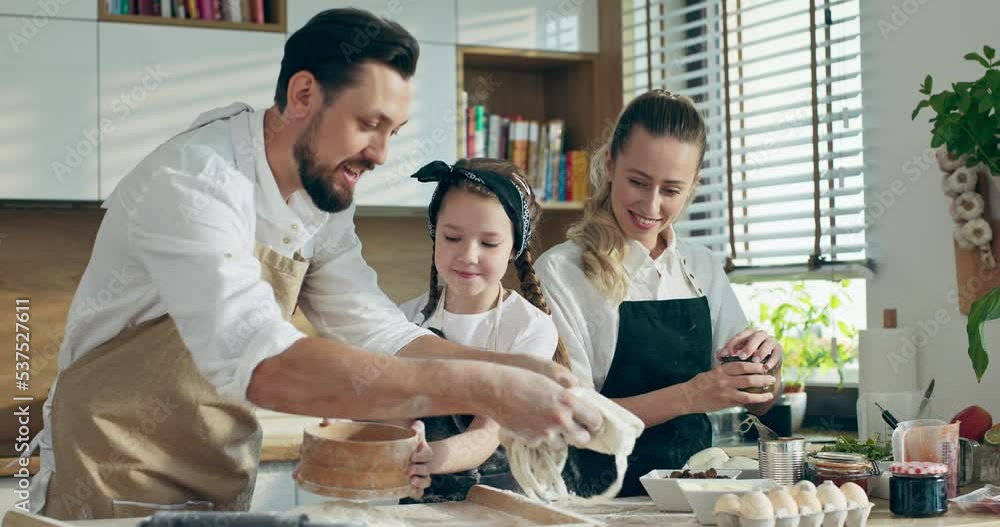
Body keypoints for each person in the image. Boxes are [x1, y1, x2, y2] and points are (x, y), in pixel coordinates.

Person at [32, 9, 600, 520]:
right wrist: (487, 387)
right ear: (304, 95)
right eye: (369, 124)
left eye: (392, 132)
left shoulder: (319, 201)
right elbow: (267, 365)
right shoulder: (195, 184)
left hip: (219, 471)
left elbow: (378, 332)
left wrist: (516, 369)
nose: (381, 154)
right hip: (111, 477)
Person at [535, 90, 783, 497]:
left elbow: (759, 403)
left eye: (671, 190)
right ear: (610, 165)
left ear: (693, 186)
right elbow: (576, 417)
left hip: (698, 499)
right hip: (597, 501)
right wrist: (691, 395)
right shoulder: (562, 272)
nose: (651, 204)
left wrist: (766, 370)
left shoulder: (702, 266)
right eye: (637, 181)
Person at [395, 159, 572, 502]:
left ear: (513, 249)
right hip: (419, 504)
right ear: (434, 234)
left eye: (489, 243)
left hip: (505, 508)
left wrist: (430, 458)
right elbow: (397, 420)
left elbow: (489, 432)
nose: (468, 255)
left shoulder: (529, 329)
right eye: (452, 237)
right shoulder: (404, 321)